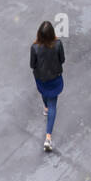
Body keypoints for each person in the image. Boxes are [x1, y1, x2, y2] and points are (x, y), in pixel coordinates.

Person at [30, 20, 64, 153]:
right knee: (53, 106)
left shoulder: (35, 47)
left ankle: (45, 108)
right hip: (55, 78)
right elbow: (62, 60)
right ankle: (48, 137)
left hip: (41, 78)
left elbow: (32, 65)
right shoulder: (58, 44)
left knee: (44, 93)